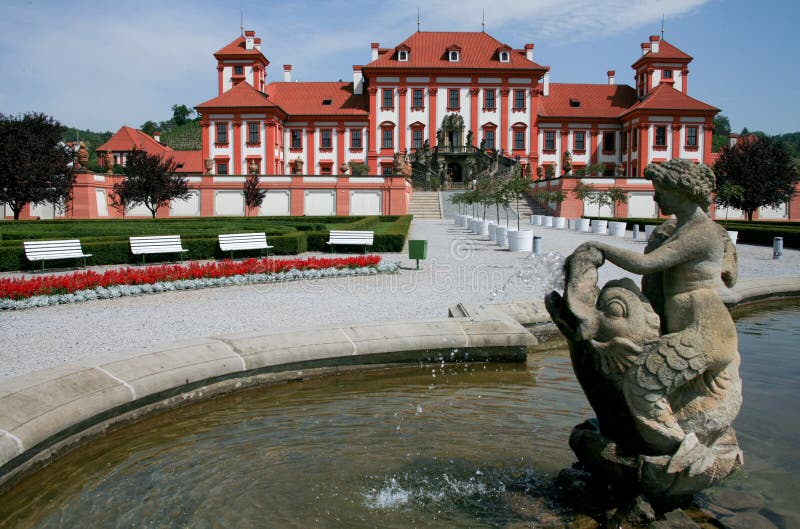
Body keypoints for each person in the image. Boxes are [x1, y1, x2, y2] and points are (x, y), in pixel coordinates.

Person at [579, 159, 739, 458]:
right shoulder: (681, 227)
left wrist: (600, 248)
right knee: (643, 375)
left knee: (644, 381)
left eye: (661, 190)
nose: (655, 197)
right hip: (691, 325)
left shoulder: (702, 231)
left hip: (705, 328)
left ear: (683, 190)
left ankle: (681, 452)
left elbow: (647, 264)